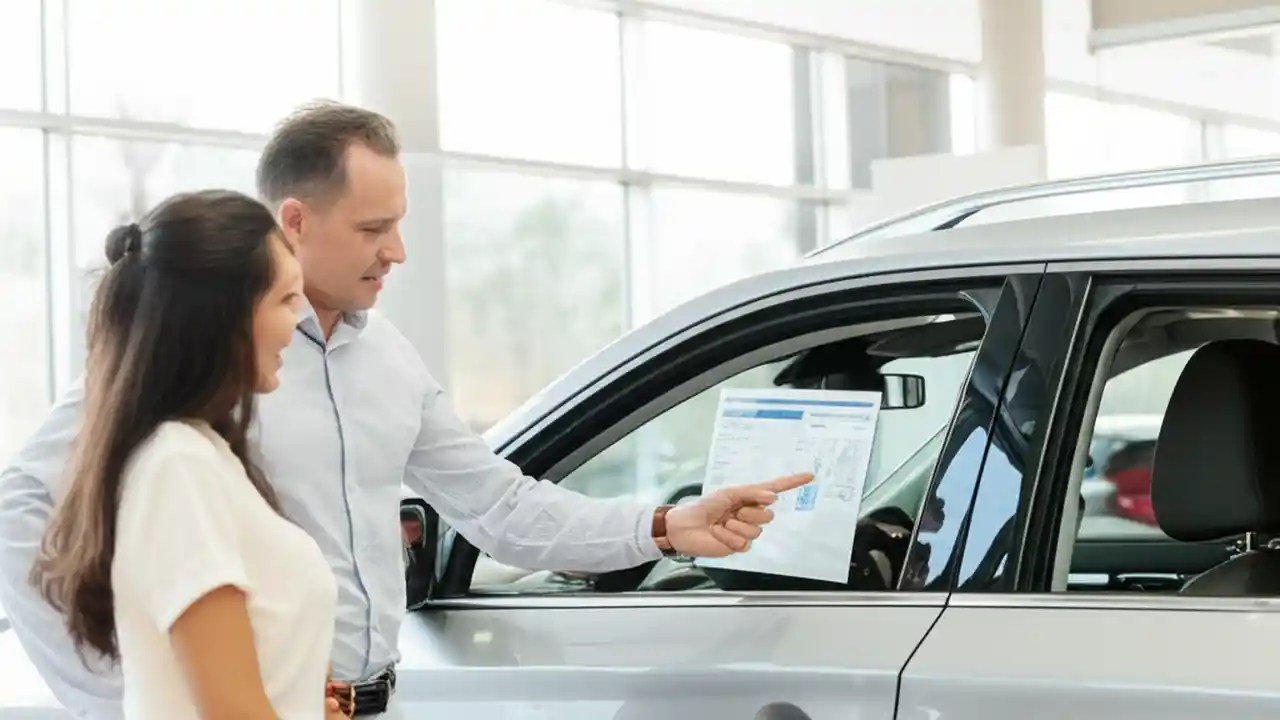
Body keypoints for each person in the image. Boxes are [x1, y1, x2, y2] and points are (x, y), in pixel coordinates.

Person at [0, 101, 812, 719]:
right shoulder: (187, 405)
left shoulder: (387, 355)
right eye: (374, 228)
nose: (398, 251)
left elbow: (500, 506)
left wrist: (667, 526)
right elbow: (20, 509)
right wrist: (124, 696)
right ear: (294, 221)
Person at [28, 190, 349, 719]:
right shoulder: (178, 467)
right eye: (285, 301)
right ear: (224, 319)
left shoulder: (201, 456)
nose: (299, 322)